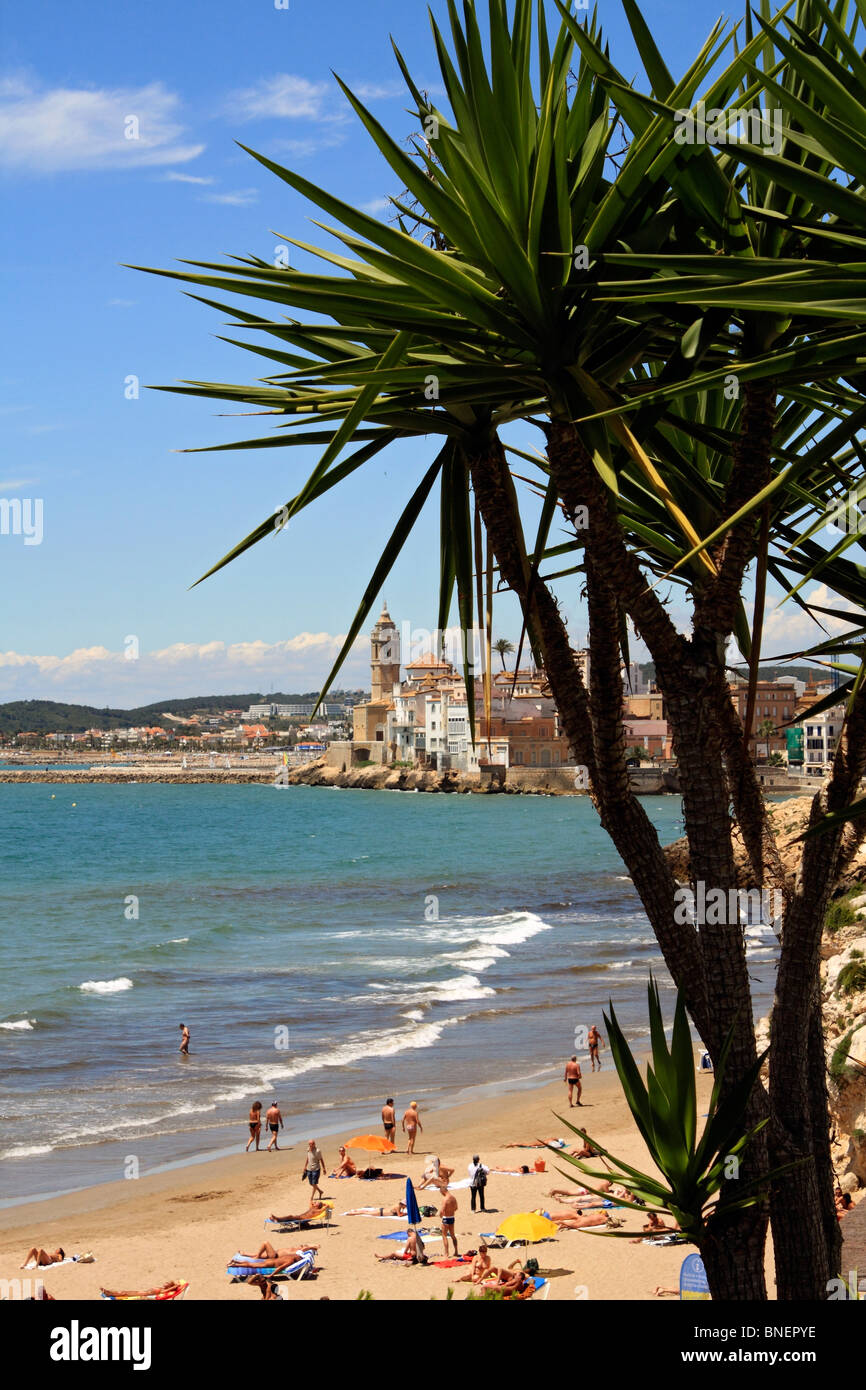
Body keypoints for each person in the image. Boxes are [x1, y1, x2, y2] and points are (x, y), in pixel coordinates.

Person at [233, 1243, 317, 1276]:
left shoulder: (294, 1256)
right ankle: (236, 1263)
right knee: (252, 1264)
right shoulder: (293, 1258)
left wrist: (271, 1274)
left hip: (272, 1260)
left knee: (253, 1262)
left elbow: (281, 1268)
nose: (301, 1246)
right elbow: (281, 1267)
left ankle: (236, 1263)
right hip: (271, 1262)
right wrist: (271, 1275)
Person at [100, 1279, 185, 1299]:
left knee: (123, 1292)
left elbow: (174, 1286)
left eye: (167, 1283)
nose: (165, 1283)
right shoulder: (162, 1288)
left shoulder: (163, 1290)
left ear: (169, 1286)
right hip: (140, 1292)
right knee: (123, 1292)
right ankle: (108, 1292)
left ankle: (109, 1293)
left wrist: (175, 1286)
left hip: (141, 1295)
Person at [439, 1187, 459, 1257]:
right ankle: (456, 1251)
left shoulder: (445, 1199)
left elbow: (442, 1210)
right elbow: (456, 1208)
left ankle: (446, 1253)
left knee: (444, 1236)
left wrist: (440, 1216)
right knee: (453, 1235)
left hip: (446, 1218)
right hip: (452, 1217)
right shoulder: (453, 1198)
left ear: (443, 1192)